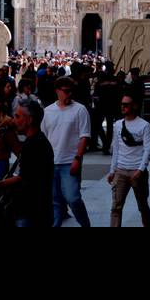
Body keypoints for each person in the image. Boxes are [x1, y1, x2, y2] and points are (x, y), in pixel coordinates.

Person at [0, 101, 54, 228]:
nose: (13, 121)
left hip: (32, 211)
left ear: (29, 120)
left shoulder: (35, 145)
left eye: (17, 117)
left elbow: (23, 178)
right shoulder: (34, 142)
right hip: (32, 209)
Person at [42, 76, 92, 227]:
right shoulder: (48, 111)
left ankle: (85, 224)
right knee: (55, 204)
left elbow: (84, 136)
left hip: (69, 162)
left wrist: (78, 158)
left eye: (71, 91)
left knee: (73, 198)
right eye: (66, 91)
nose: (69, 94)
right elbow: (43, 138)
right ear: (57, 91)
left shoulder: (80, 110)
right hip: (51, 163)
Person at [108, 93, 150, 227]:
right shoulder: (117, 125)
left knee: (143, 206)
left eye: (126, 104)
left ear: (135, 106)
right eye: (122, 104)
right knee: (116, 207)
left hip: (137, 173)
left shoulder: (144, 125)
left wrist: (140, 169)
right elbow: (116, 149)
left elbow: (148, 150)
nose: (123, 107)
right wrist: (112, 171)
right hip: (120, 171)